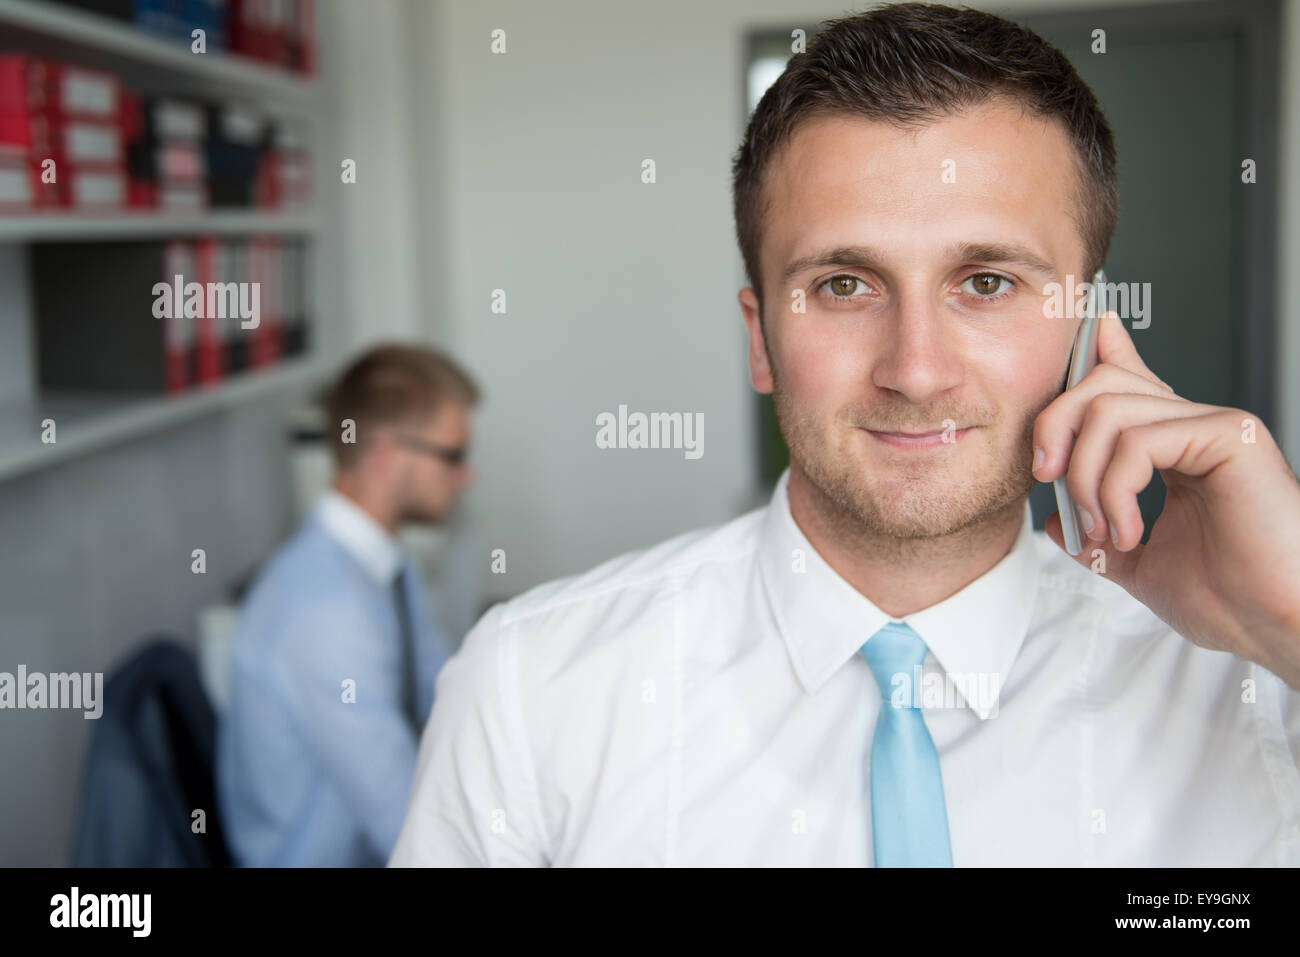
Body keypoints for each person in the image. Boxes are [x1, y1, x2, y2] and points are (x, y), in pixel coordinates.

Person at [390, 4, 1300, 866]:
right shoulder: (529, 691)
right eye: (844, 285)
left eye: (985, 283)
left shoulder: (1253, 679)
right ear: (760, 339)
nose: (915, 369)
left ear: (1085, 329)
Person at [218, 343, 478, 866]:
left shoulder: (385, 565)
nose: (464, 476)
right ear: (385, 456)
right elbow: (408, 832)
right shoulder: (327, 612)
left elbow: (447, 698)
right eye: (452, 456)